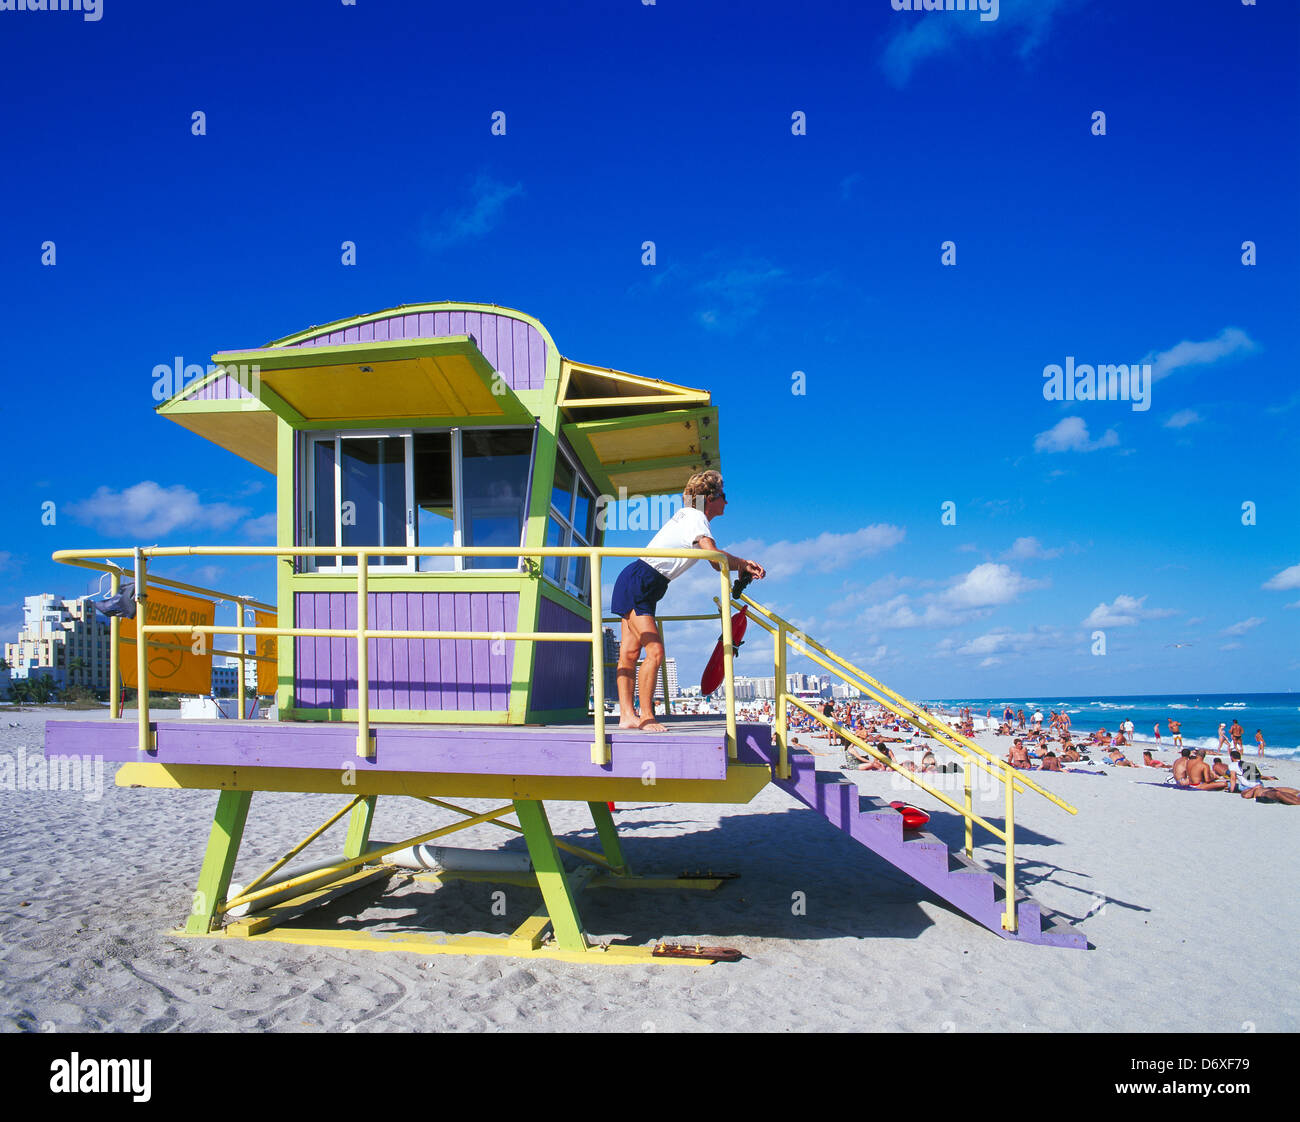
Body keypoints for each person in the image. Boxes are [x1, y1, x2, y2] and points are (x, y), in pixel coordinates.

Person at [612, 470, 764, 731]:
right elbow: (714, 556)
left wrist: (738, 565)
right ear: (711, 498)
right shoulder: (696, 517)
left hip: (640, 580)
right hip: (642, 581)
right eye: (724, 496)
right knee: (655, 652)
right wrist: (743, 563)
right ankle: (646, 717)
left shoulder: (689, 518)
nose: (727, 502)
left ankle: (627, 715)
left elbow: (714, 562)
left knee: (629, 653)